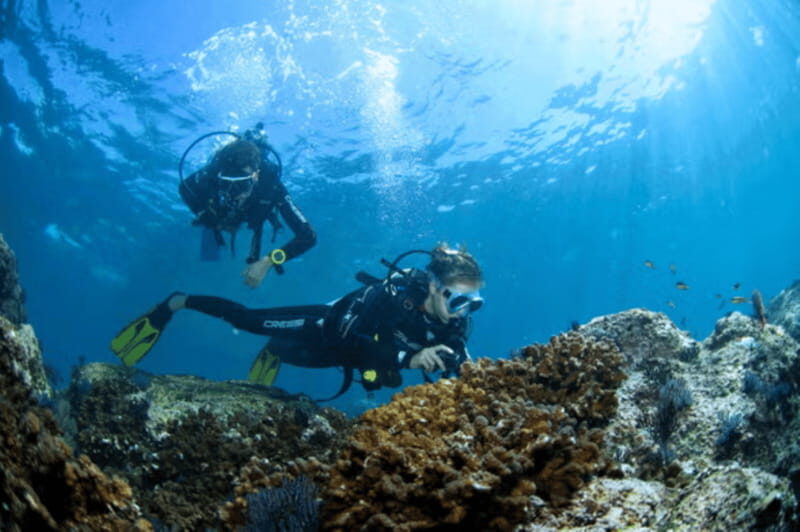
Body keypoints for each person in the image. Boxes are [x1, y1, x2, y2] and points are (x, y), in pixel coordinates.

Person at [110, 244, 484, 398]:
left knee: (295, 357)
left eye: (473, 302)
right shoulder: (391, 296)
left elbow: (459, 355)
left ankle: (275, 352)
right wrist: (408, 359)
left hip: (340, 359)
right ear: (433, 286)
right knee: (246, 319)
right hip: (323, 326)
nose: (462, 311)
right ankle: (177, 302)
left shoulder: (455, 320)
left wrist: (464, 370)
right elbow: (352, 337)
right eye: (458, 298)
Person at [178, 126, 316, 288]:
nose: (233, 195)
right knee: (209, 250)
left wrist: (269, 261)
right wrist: (205, 216)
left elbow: (308, 237)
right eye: (226, 184)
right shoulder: (212, 172)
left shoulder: (271, 186)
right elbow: (184, 188)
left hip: (257, 207)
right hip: (219, 212)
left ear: (256, 177)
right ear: (219, 177)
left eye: (241, 185)